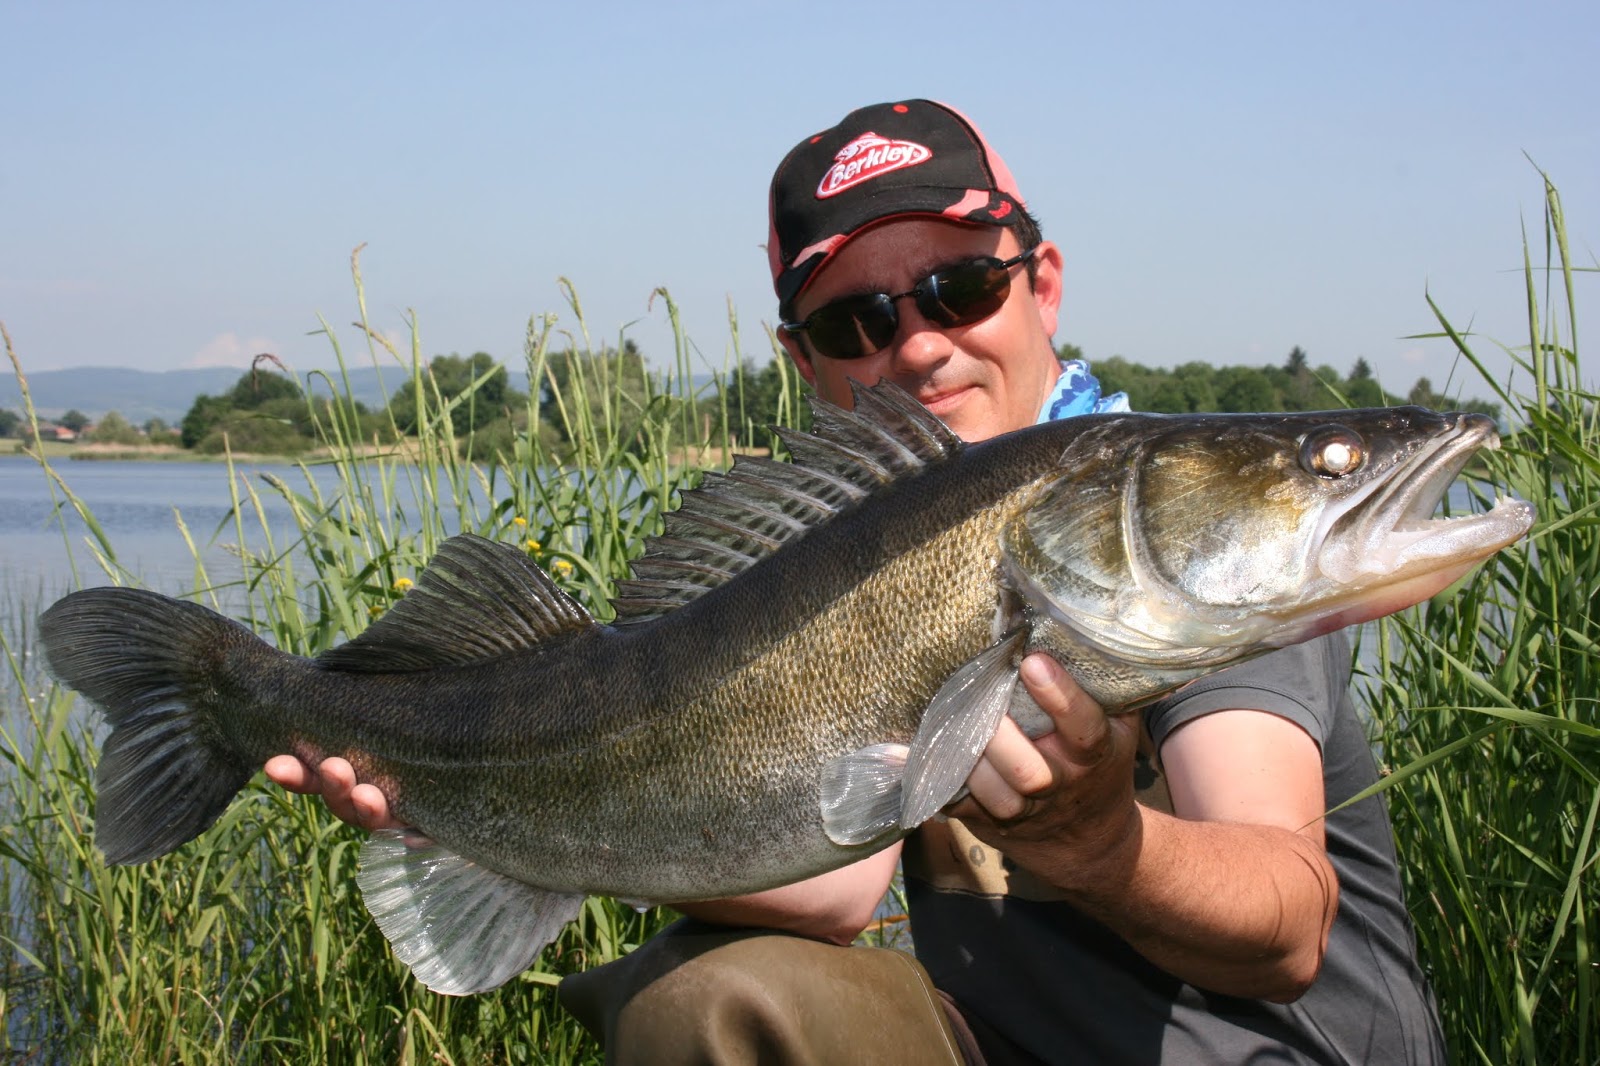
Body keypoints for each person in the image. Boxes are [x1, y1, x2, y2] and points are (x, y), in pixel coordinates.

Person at [267, 100, 1446, 1064]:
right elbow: (832, 896)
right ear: (801, 361)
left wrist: (1097, 840)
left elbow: (1287, 926)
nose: (921, 343)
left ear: (1041, 282)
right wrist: (489, 817)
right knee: (707, 1003)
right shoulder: (833, 557)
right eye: (857, 321)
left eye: (961, 290)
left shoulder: (1159, 531)